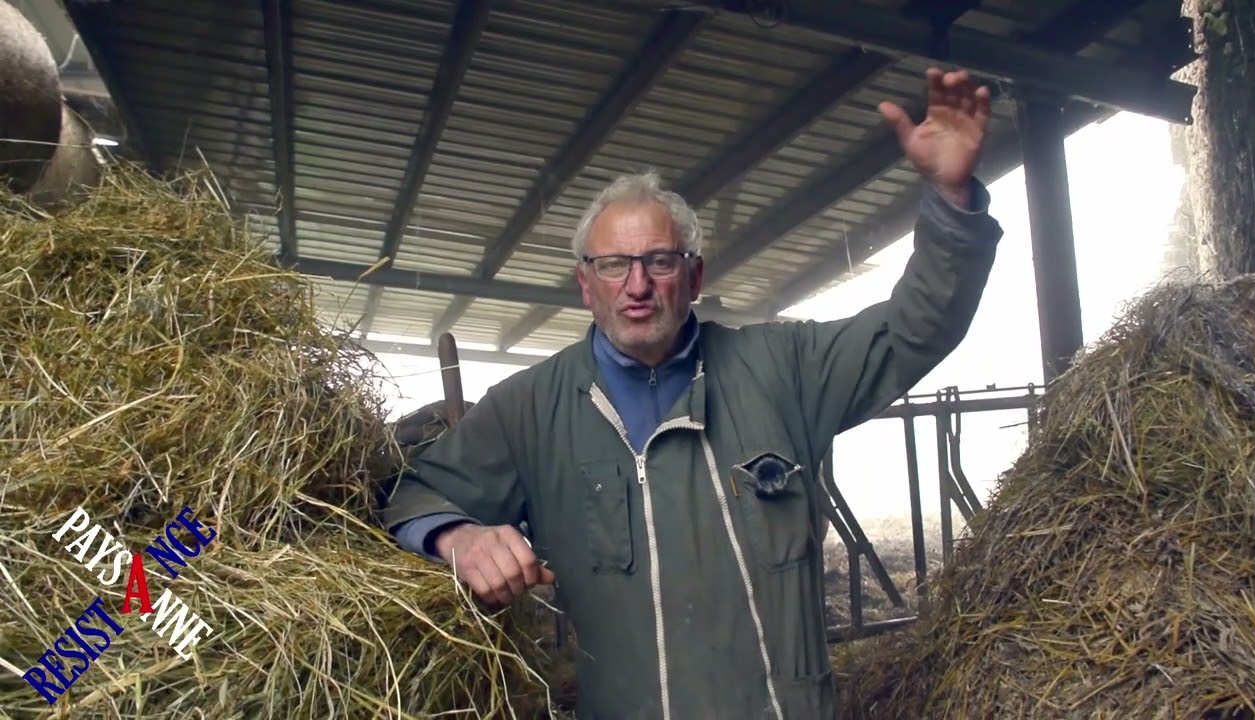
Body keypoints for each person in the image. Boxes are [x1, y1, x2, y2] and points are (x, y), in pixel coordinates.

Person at [382, 67, 1003, 719]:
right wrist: (459, 538)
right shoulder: (527, 409)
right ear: (585, 285)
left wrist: (951, 199)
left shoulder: (783, 366)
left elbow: (916, 328)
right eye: (614, 265)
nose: (638, 285)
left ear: (695, 276)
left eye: (660, 260)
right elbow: (411, 494)